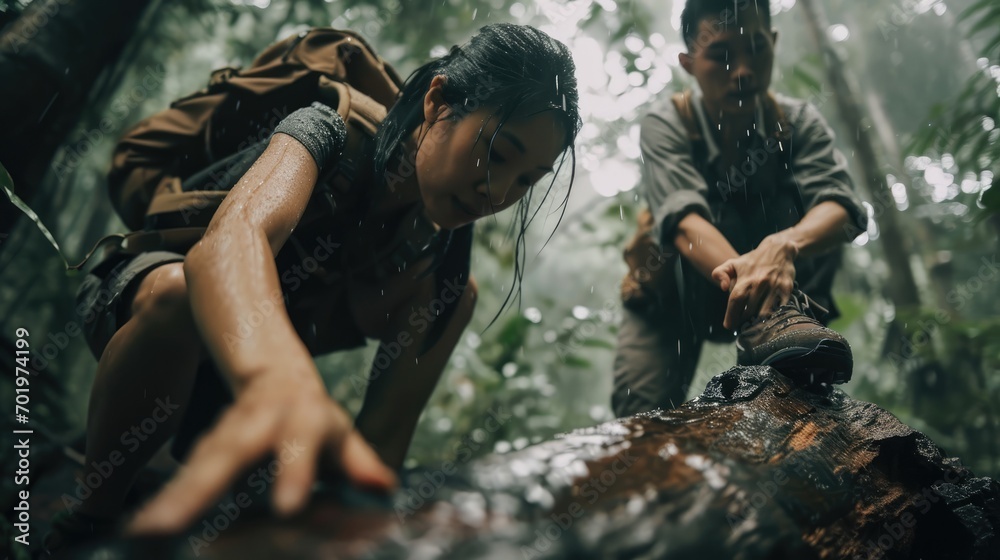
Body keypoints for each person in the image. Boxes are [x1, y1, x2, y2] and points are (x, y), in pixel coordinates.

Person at [58, 23, 581, 545]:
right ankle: (88, 518)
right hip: (139, 305)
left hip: (229, 389)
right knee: (179, 295)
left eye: (528, 178)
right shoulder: (327, 130)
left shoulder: (442, 277)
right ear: (438, 101)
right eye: (496, 153)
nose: (499, 191)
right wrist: (277, 378)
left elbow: (381, 445)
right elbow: (230, 241)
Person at [612, 0, 868, 417]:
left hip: (786, 307)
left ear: (775, 43)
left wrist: (785, 244)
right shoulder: (667, 123)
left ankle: (782, 323)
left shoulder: (798, 123)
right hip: (672, 303)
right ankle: (770, 311)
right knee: (641, 418)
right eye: (721, 55)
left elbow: (841, 206)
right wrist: (755, 277)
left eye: (757, 49)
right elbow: (682, 220)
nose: (744, 70)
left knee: (799, 415)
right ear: (689, 62)